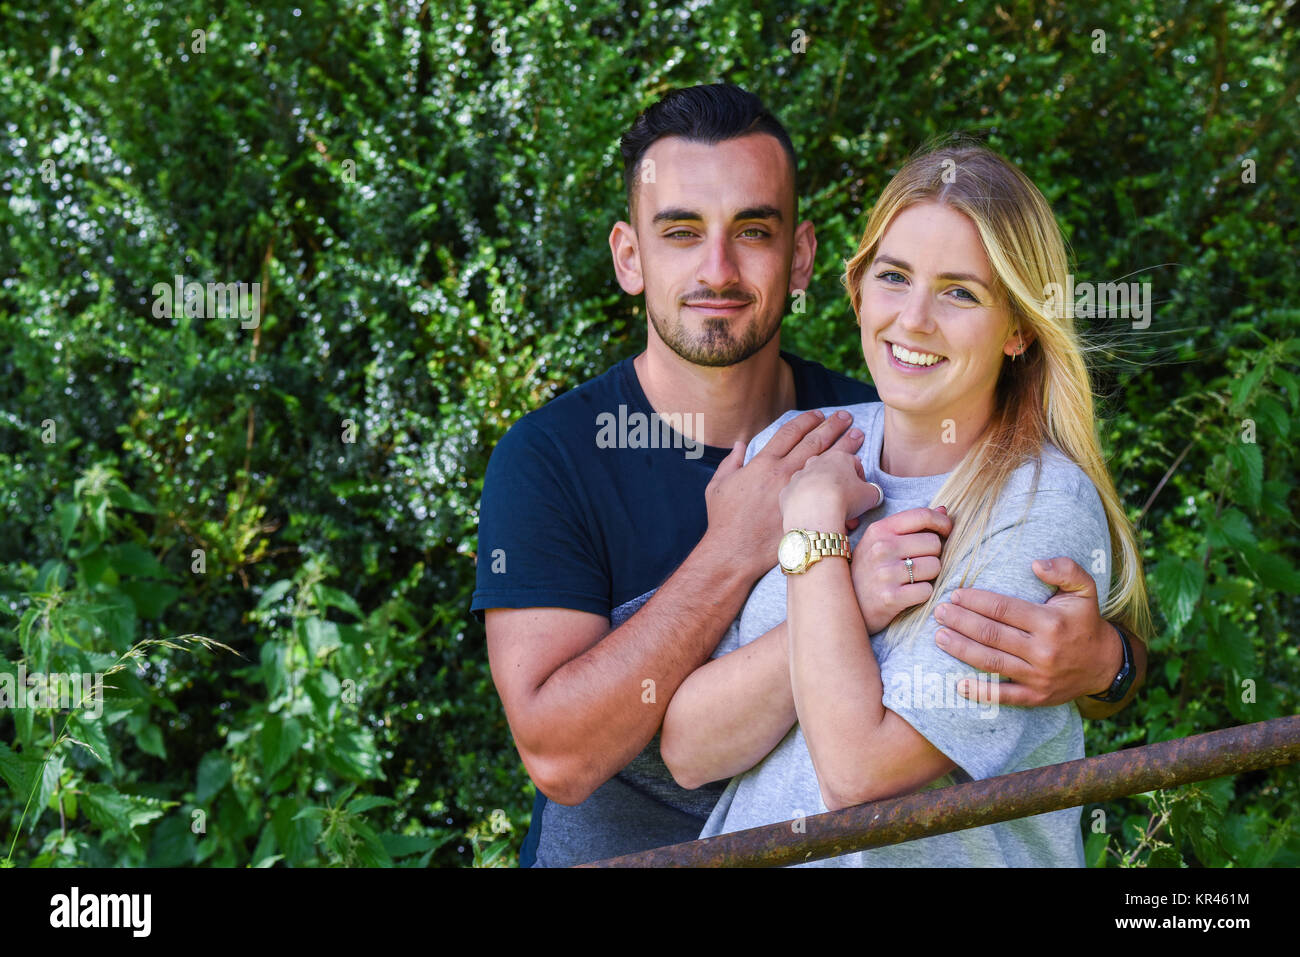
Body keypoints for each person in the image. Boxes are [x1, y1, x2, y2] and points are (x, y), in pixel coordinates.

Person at [470, 84, 1146, 868]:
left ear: (802, 258)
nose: (716, 268)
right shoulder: (552, 459)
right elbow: (563, 754)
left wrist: (1110, 662)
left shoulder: (859, 432)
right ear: (630, 256)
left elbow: (1038, 604)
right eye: (681, 232)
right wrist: (746, 550)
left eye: (752, 230)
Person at [663, 141, 1152, 865]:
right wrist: (850, 592)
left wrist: (814, 536)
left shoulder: (1036, 504)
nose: (914, 319)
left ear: (1017, 327)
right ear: (859, 289)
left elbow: (859, 777)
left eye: (960, 291)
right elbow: (689, 746)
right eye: (894, 277)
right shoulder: (802, 448)